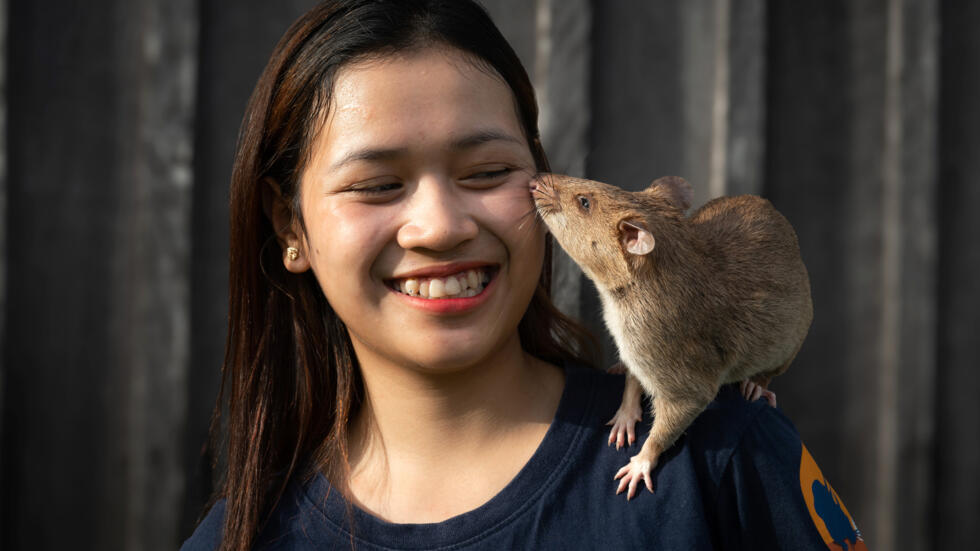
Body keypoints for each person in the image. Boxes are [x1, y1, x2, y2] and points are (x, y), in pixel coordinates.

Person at [182, 1, 866, 549]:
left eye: (486, 173)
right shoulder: (244, 536)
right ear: (290, 228)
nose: (442, 224)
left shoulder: (722, 455)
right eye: (378, 184)